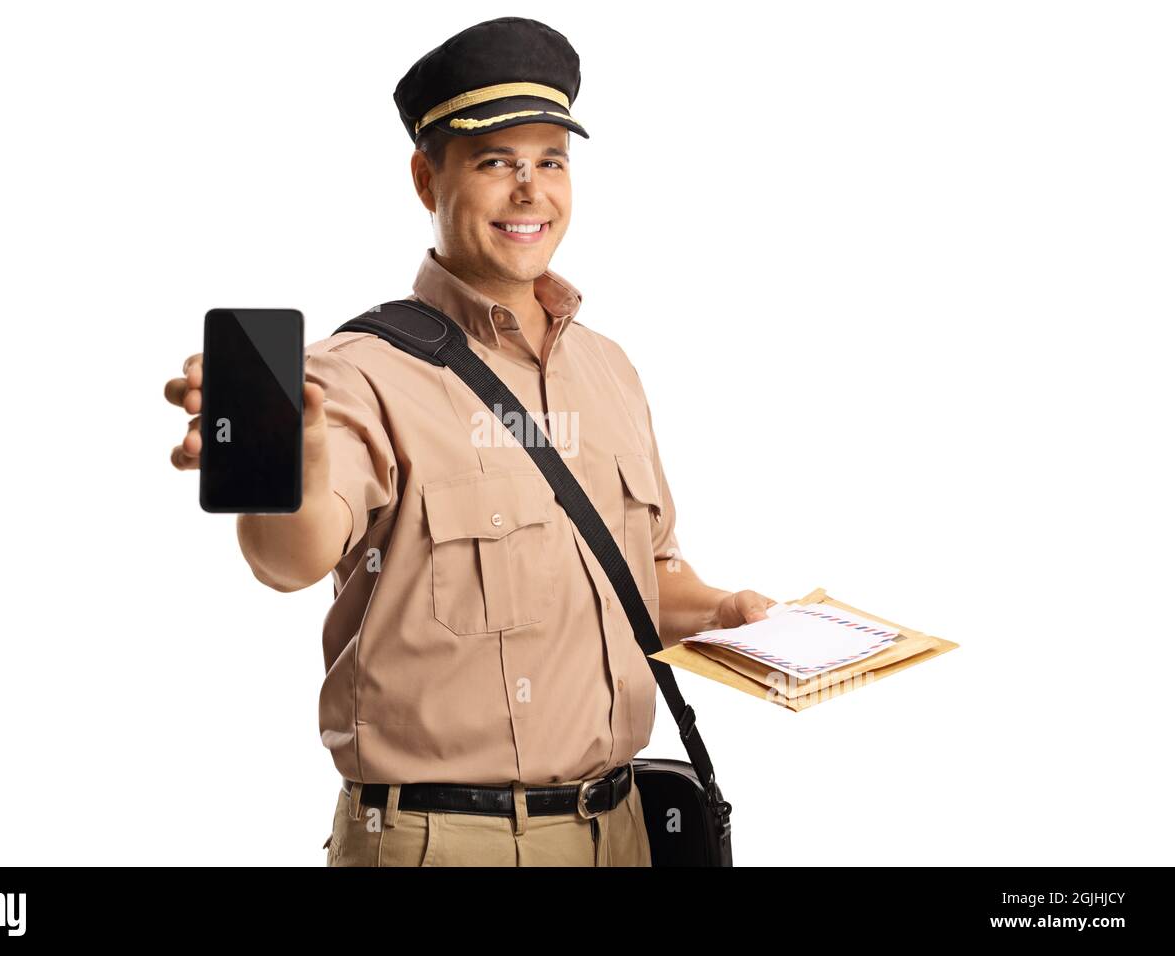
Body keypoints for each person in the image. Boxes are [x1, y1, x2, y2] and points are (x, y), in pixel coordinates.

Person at [163, 16, 775, 867]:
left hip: (624, 832)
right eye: (496, 163)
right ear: (426, 177)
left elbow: (643, 576)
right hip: (444, 847)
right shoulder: (355, 375)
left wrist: (721, 611)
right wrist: (289, 462)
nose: (531, 192)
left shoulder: (610, 372)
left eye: (551, 162)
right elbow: (287, 559)